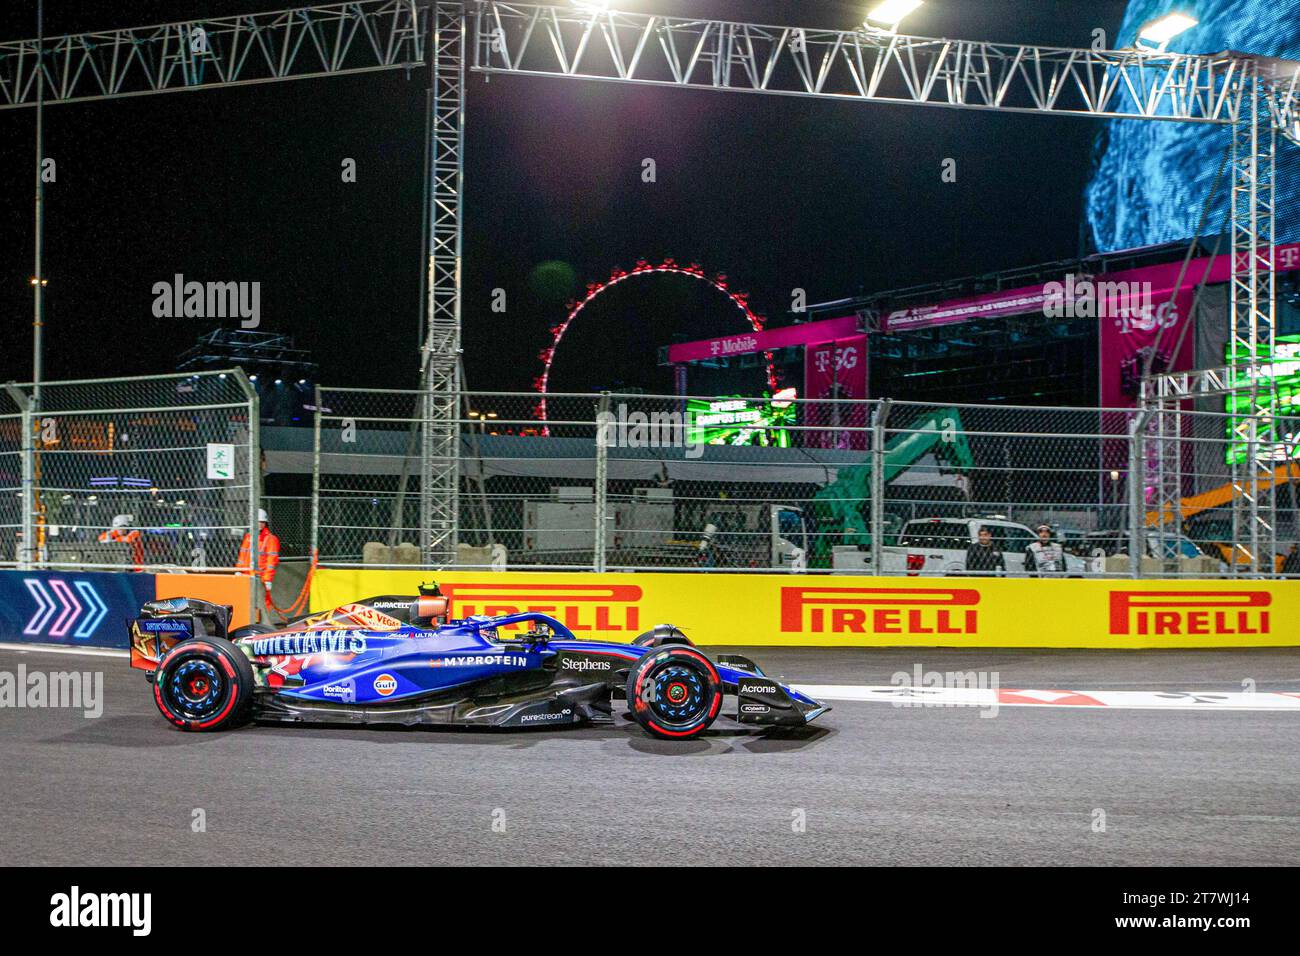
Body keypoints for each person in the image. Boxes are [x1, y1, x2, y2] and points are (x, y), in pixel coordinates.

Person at [237, 508, 280, 596]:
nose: (260, 524)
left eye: (262, 522)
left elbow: (271, 561)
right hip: (246, 575)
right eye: (258, 521)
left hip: (260, 578)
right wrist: (239, 570)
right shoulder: (248, 537)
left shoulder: (271, 539)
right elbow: (242, 556)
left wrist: (268, 579)